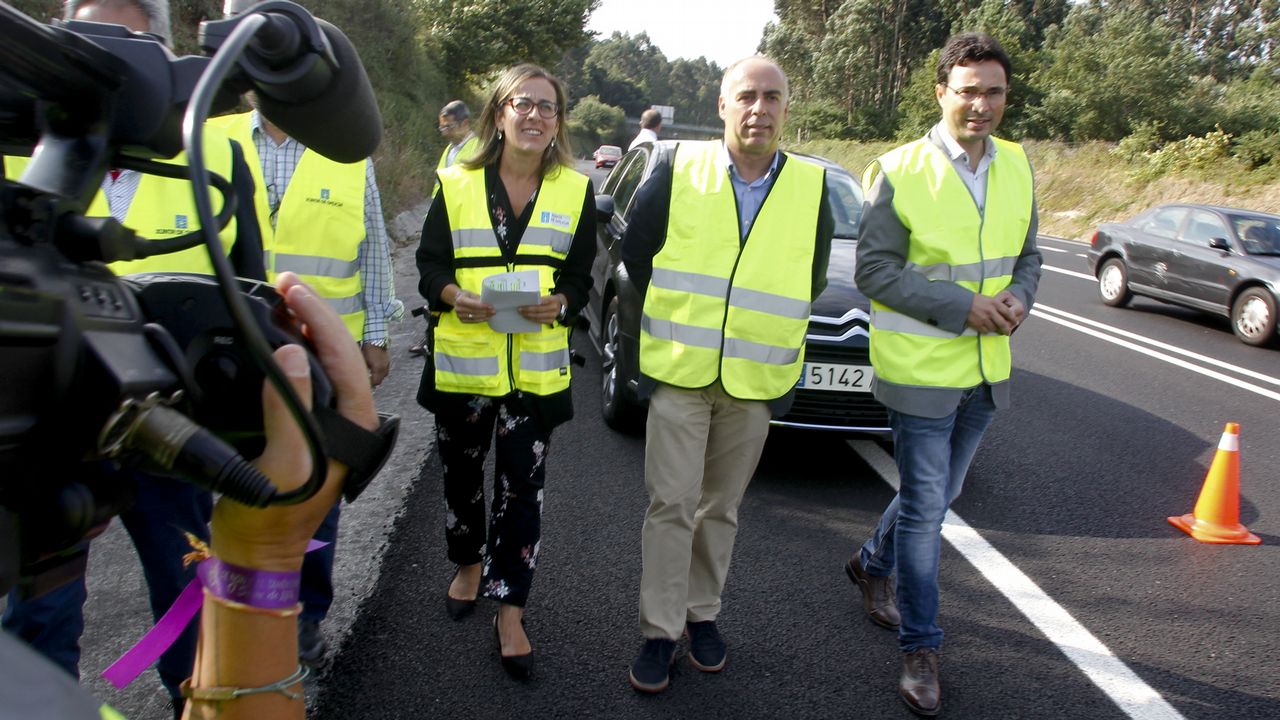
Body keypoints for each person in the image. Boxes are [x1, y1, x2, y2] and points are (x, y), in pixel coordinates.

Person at [1, 2, 266, 717]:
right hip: (46, 428)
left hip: (165, 422)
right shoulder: (16, 142)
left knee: (187, 577)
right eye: (88, 46)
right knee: (38, 610)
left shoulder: (218, 155)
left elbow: (248, 284)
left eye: (129, 51)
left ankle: (198, 693)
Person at [0, 272, 381, 720]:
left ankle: (187, 686)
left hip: (175, 411)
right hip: (138, 415)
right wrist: (264, 552)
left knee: (179, 575)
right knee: (47, 604)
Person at [844, 32, 1042, 717]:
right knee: (929, 511)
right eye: (967, 91)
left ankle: (871, 562)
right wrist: (966, 307)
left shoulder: (1018, 164)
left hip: (987, 368)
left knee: (943, 493)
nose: (981, 105)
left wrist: (1021, 296)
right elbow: (874, 271)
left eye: (993, 92)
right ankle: (921, 649)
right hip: (923, 370)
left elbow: (1029, 257)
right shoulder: (898, 169)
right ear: (941, 93)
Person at [621, 56, 833, 693]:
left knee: (722, 509)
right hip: (682, 372)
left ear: (786, 110)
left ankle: (701, 614)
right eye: (746, 96)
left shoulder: (810, 187)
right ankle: (660, 631)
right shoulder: (676, 167)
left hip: (754, 380)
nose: (758, 109)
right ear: (722, 105)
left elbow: (813, 275)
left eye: (772, 98)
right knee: (672, 504)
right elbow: (637, 251)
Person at [415, 63, 595, 681]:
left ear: (558, 122)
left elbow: (580, 273)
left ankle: (511, 606)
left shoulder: (576, 188)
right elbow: (429, 263)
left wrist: (564, 302)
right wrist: (450, 295)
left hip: (536, 375)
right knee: (462, 477)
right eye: (524, 103)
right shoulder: (456, 182)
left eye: (549, 107)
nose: (536, 116)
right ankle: (467, 564)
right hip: (466, 367)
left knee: (523, 489)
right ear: (499, 113)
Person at [211, 104, 402, 667]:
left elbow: (372, 247)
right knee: (224, 490)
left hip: (321, 361)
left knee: (316, 492)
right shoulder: (207, 136)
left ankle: (304, 615)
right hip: (225, 357)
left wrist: (374, 333)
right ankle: (225, 612)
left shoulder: (345, 149)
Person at [410, 100, 481, 357]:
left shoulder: (477, 150)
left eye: (449, 126)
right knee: (437, 281)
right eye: (441, 128)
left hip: (463, 228)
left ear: (465, 123)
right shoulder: (451, 149)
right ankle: (431, 338)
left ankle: (439, 340)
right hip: (443, 225)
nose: (445, 132)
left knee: (452, 284)